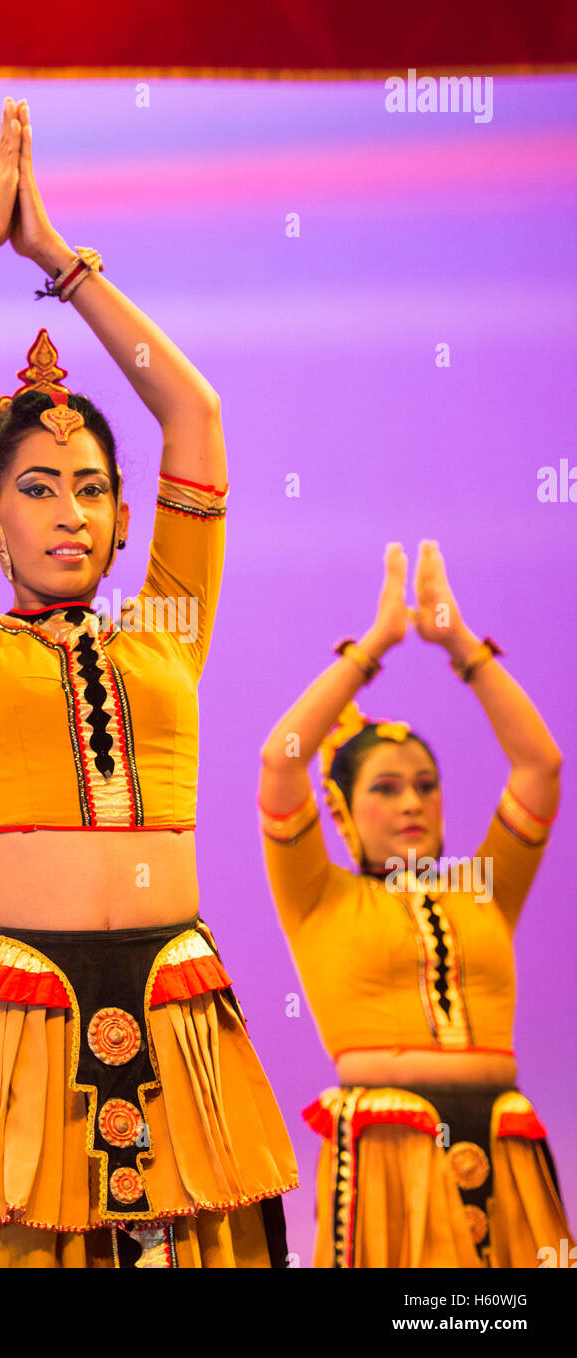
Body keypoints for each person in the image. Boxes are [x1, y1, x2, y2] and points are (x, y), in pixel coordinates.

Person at [0, 97, 298, 1268]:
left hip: (179, 1007)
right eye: (39, 486)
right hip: (21, 1015)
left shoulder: (166, 628)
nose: (71, 510)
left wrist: (60, 262)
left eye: (93, 486)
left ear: (122, 515)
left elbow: (191, 409)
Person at [257, 539, 573, 1267]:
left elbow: (541, 765)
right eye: (385, 787)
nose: (411, 803)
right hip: (390, 1157)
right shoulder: (318, 897)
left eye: (425, 785)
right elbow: (282, 758)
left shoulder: (482, 891)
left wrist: (458, 643)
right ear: (339, 811)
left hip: (506, 1147)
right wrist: (373, 647)